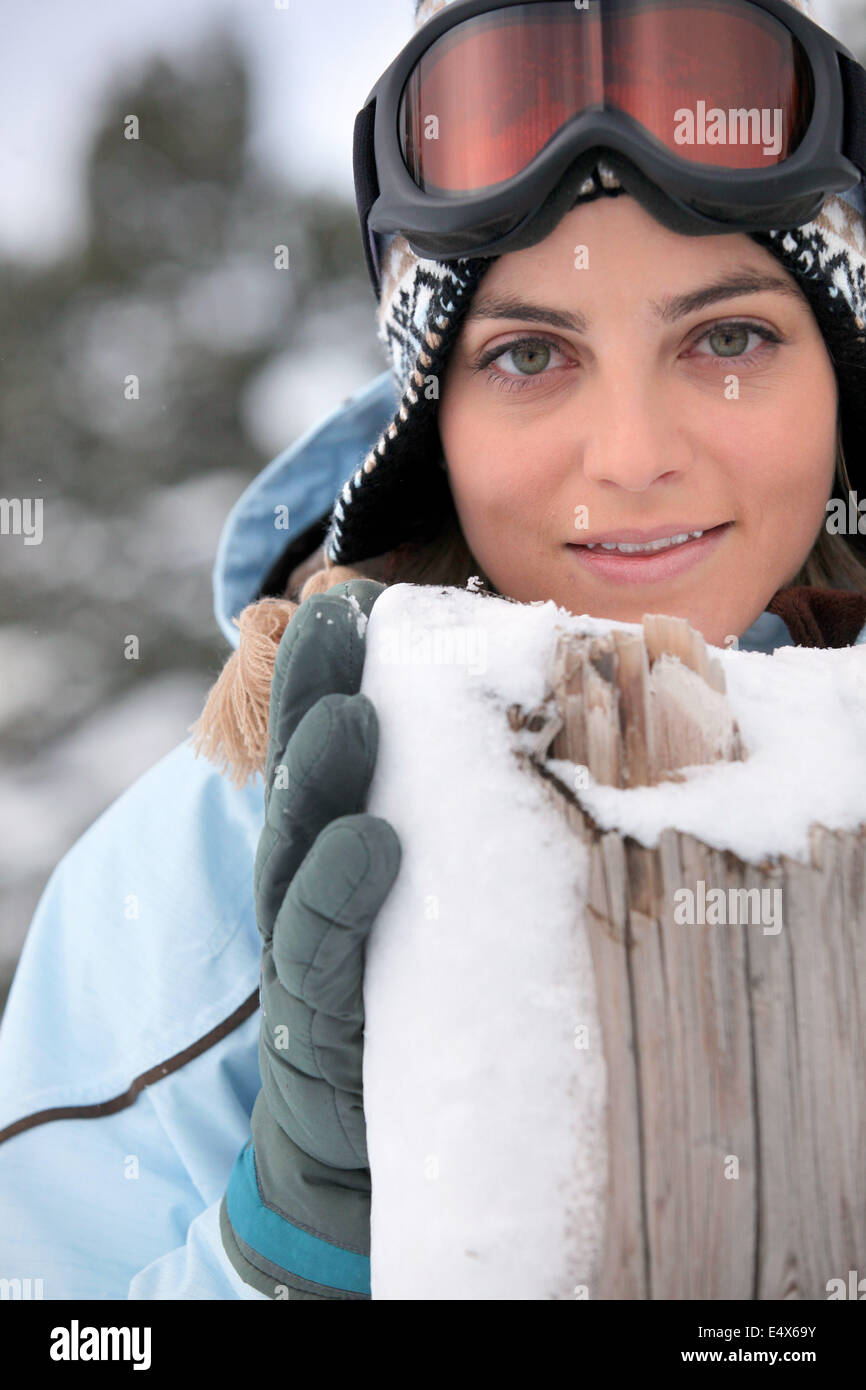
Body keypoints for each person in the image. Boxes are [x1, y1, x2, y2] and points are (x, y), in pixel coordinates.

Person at [1, 0, 866, 1301]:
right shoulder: (204, 874)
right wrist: (278, 1264)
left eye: (727, 339)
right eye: (529, 352)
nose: (628, 456)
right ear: (430, 415)